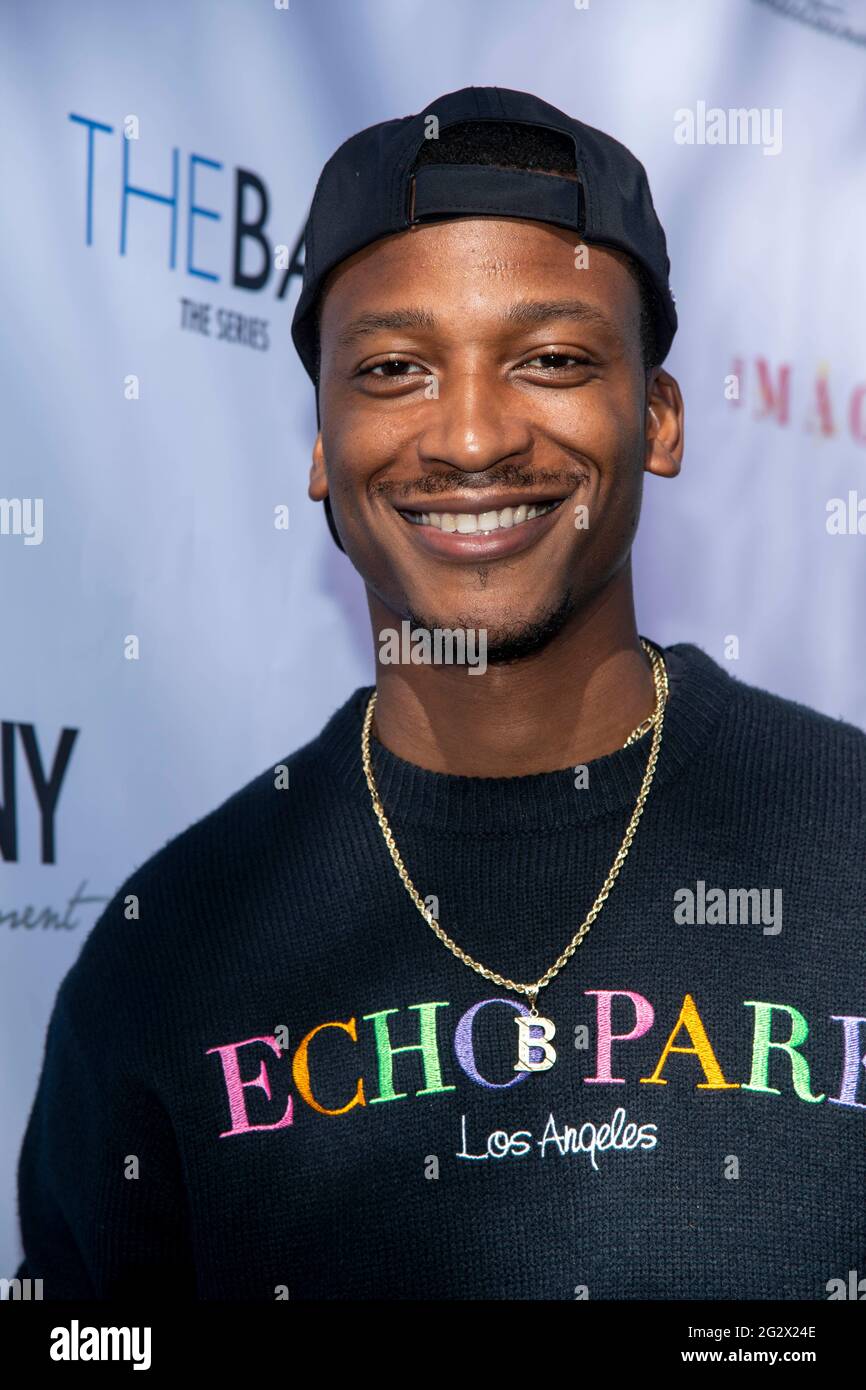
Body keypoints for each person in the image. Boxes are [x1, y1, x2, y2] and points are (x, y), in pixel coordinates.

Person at [15, 86, 866, 1301]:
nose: (470, 437)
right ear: (319, 444)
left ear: (659, 417)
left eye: (553, 359)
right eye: (395, 368)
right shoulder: (171, 954)